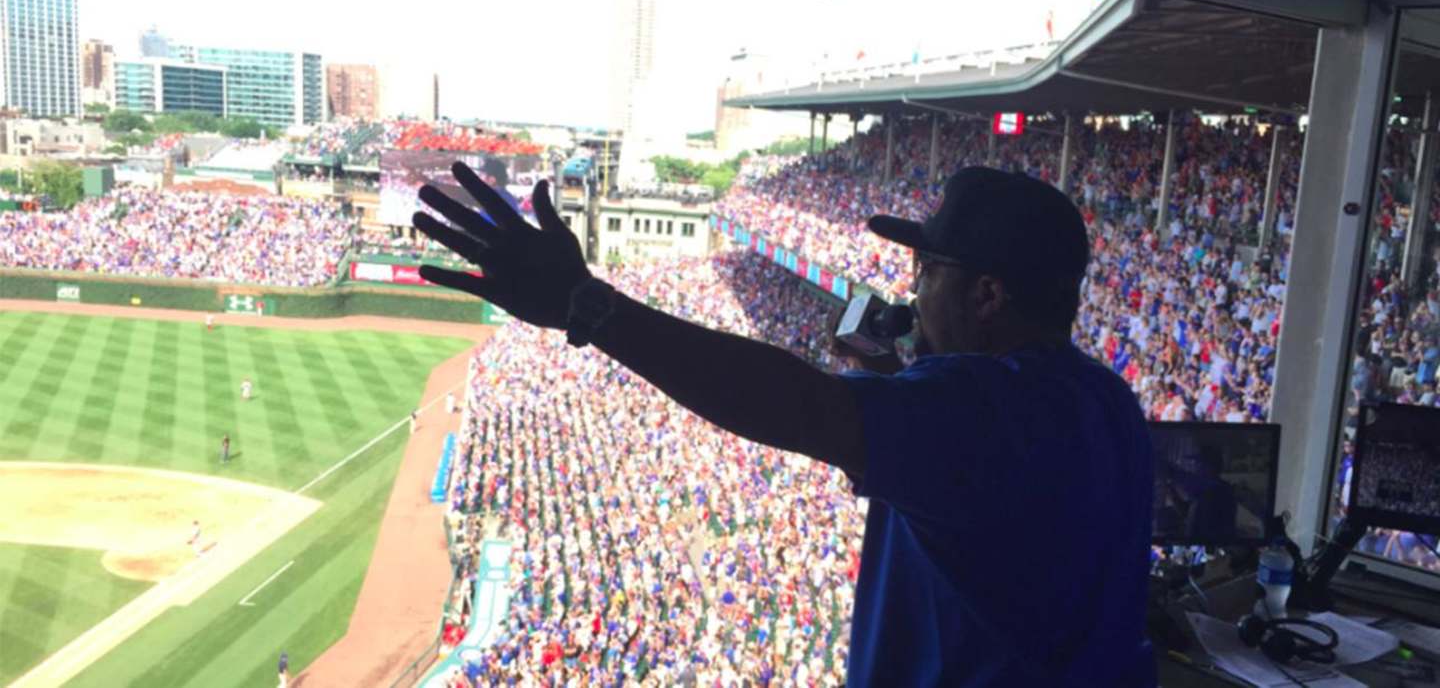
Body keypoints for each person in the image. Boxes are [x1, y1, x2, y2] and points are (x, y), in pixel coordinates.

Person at [413, 163, 1156, 686]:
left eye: (928, 271)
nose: (913, 289)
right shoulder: (1105, 399)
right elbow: (990, 487)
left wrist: (587, 305)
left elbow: (800, 405)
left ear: (987, 295)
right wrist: (900, 387)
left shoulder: (982, 410)